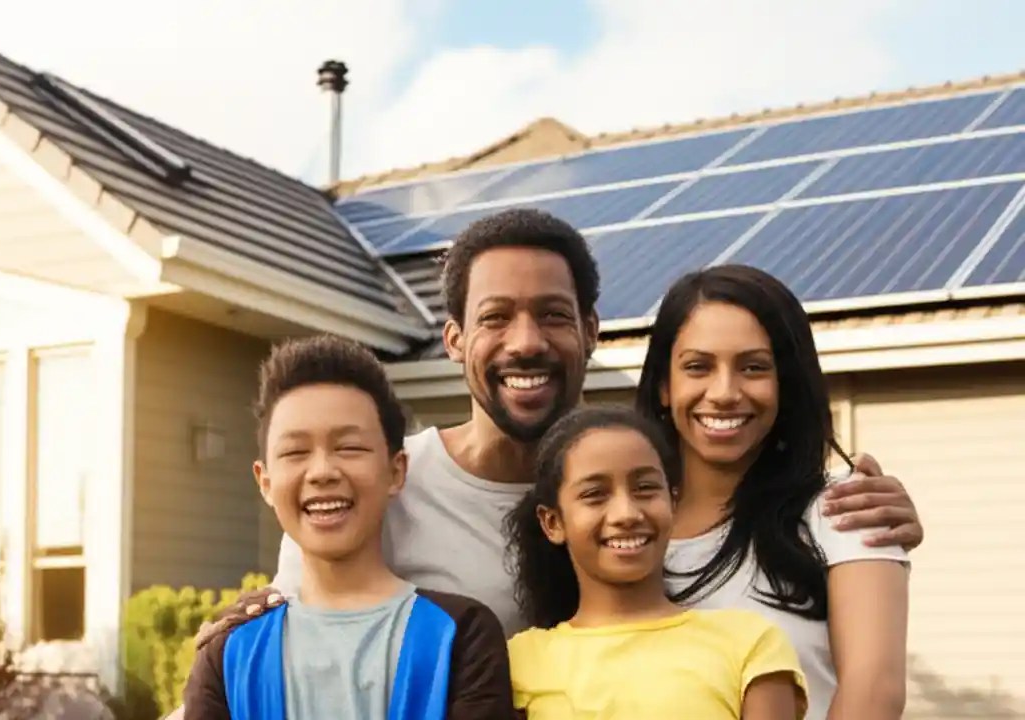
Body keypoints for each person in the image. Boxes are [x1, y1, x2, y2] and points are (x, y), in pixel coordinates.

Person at [164, 209, 923, 718]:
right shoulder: (381, 485)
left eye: (553, 316)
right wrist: (228, 645)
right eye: (495, 317)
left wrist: (864, 516)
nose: (526, 342)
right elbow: (296, 645)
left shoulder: (648, 497)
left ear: (591, 330)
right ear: (454, 340)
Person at [181, 335, 516, 720]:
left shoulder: (460, 636)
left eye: (349, 447)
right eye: (295, 452)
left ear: (396, 470)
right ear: (265, 482)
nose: (322, 471)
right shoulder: (229, 652)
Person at [635, 265, 910, 720]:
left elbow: (874, 691)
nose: (724, 392)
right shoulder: (624, 527)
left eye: (754, 367)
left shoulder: (843, 510)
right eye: (698, 367)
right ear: (665, 385)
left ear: (786, 383)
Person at [506, 405, 808, 719]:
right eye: (595, 494)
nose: (626, 514)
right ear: (553, 522)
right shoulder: (521, 661)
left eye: (645, 488)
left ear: (673, 502)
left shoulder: (750, 642)